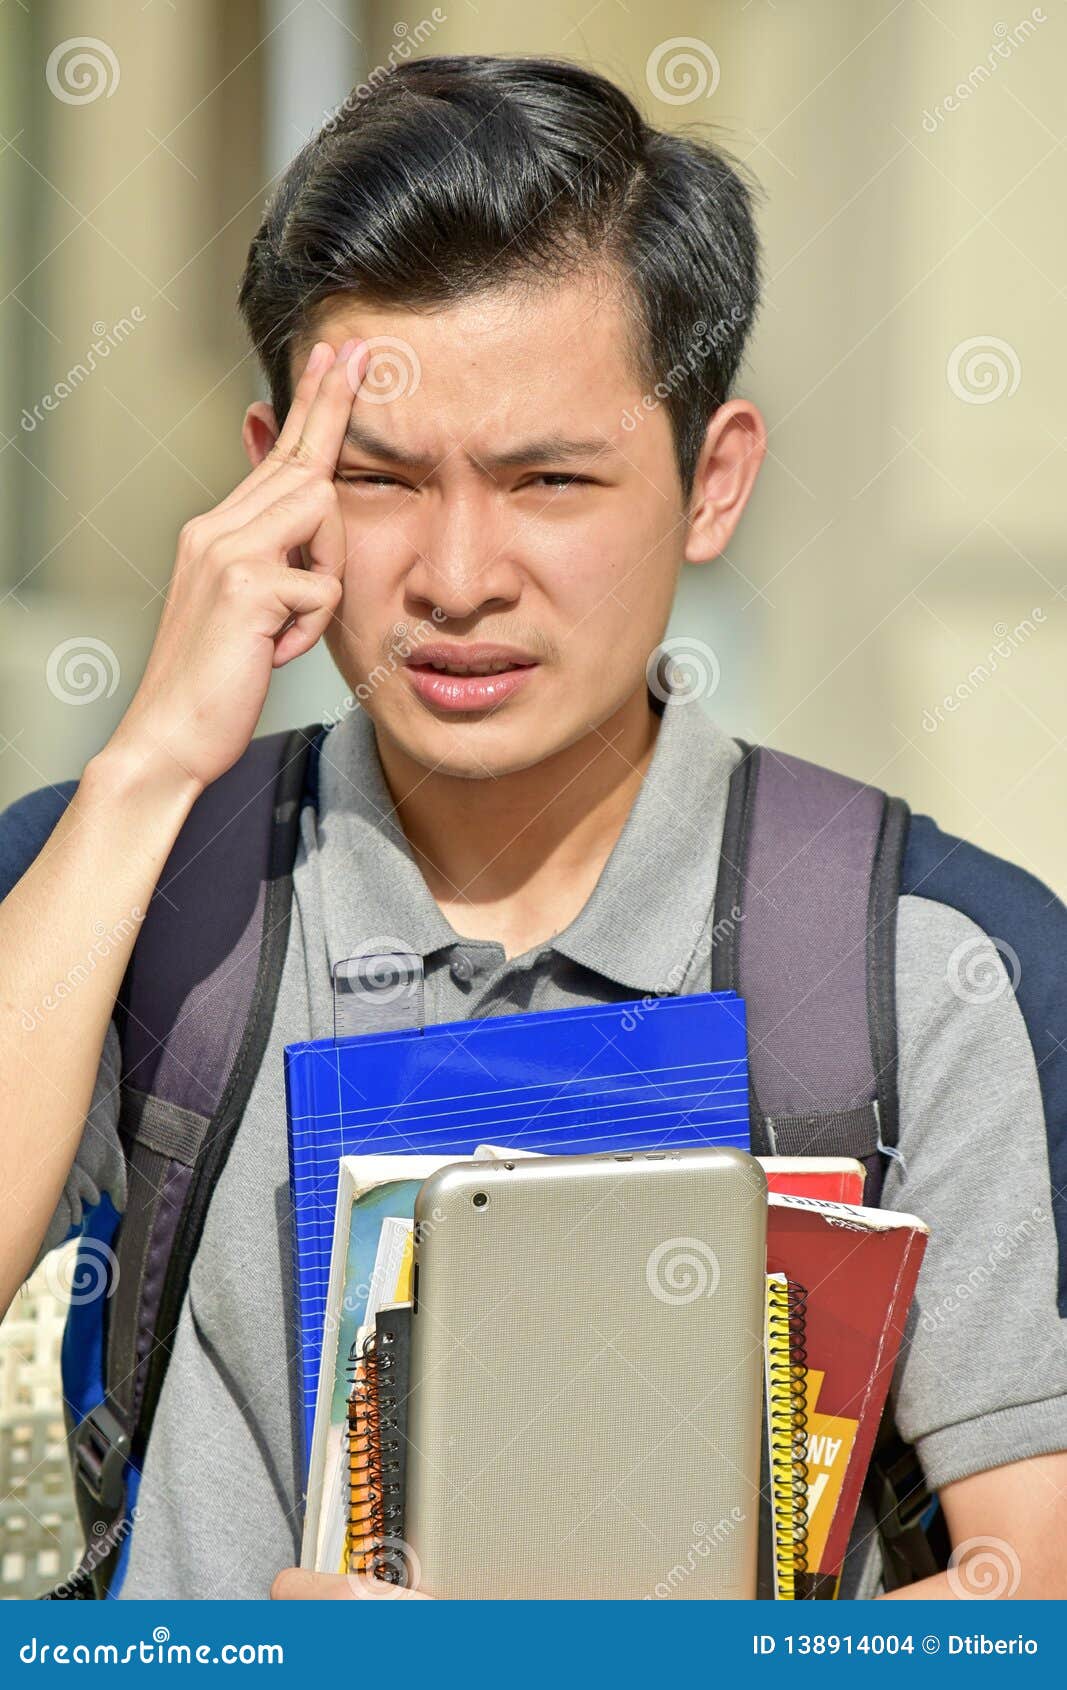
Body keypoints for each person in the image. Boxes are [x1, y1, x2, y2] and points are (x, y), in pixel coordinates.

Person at [1, 54, 1064, 1602]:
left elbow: (1026, 1582)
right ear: (272, 482)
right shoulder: (116, 889)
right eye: (375, 479)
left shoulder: (941, 966)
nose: (455, 572)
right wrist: (153, 757)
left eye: (549, 480)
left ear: (714, 480)